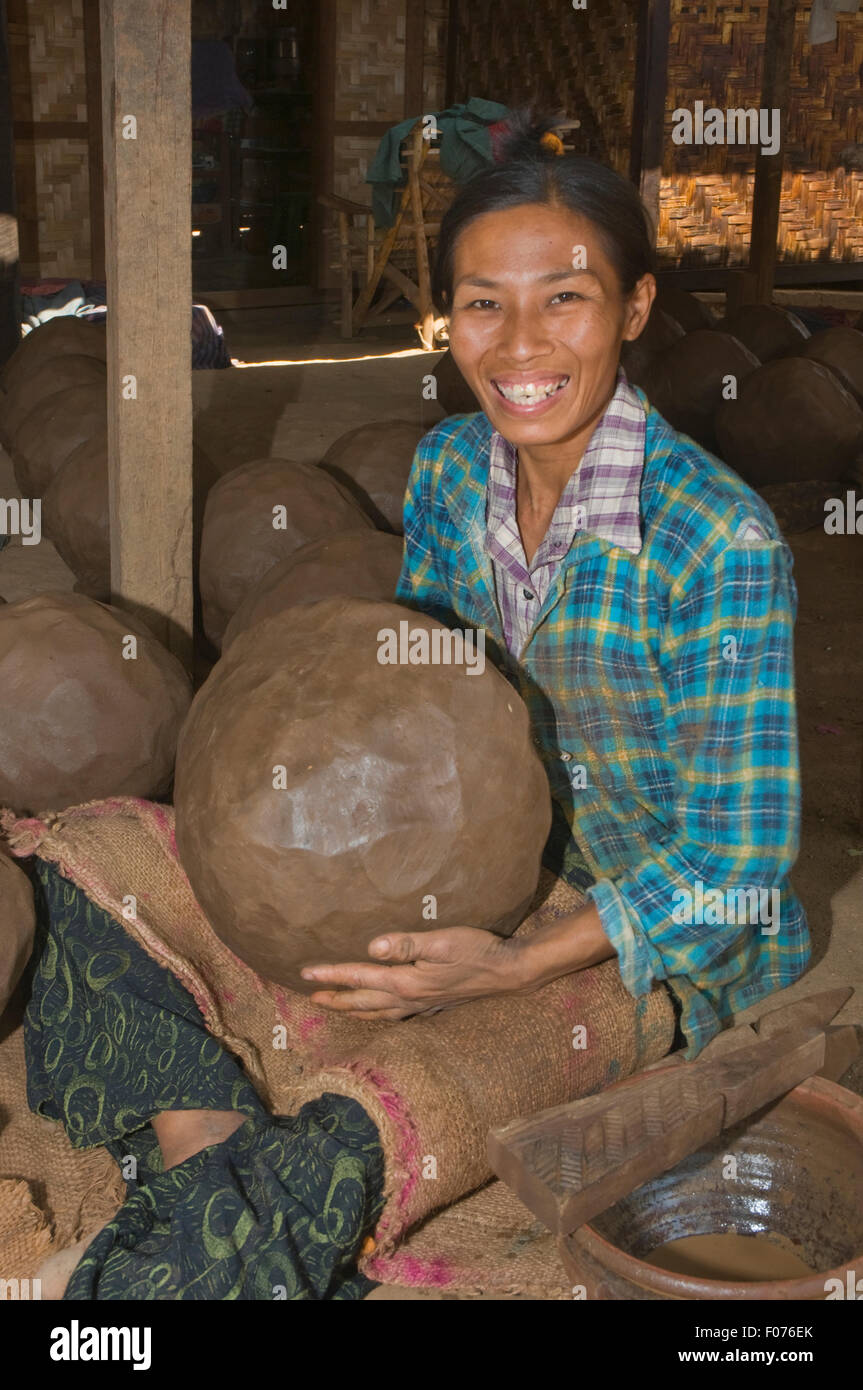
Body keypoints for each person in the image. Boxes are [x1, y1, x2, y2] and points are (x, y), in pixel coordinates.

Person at [302, 115, 810, 1055]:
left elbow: (736, 863)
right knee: (111, 888)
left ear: (635, 306)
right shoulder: (447, 468)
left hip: (667, 954)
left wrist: (513, 968)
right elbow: (424, 686)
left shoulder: (714, 541)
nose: (519, 346)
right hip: (496, 872)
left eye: (565, 298)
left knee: (377, 1104)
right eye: (484, 303)